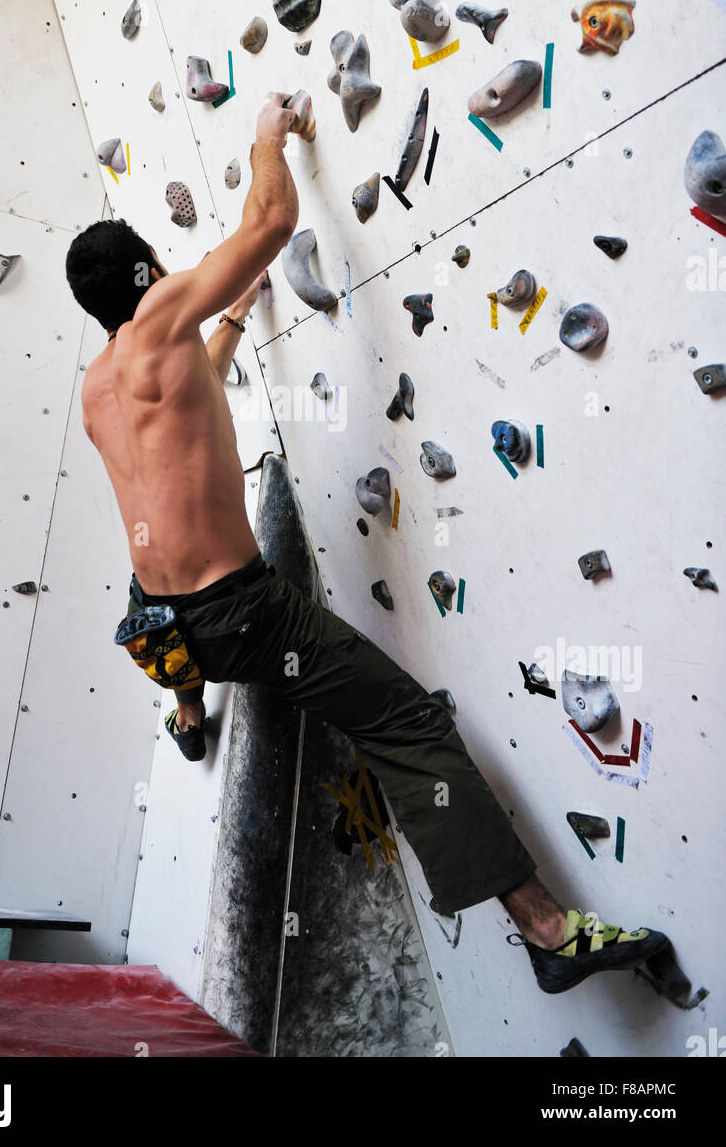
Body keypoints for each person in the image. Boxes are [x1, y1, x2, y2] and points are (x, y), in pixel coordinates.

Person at [65, 92, 669, 996]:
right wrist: (269, 135)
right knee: (405, 722)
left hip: (165, 621)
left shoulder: (100, 389)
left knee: (164, 600)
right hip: (243, 616)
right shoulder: (161, 320)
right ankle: (547, 930)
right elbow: (270, 220)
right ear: (149, 275)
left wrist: (231, 324)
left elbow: (185, 403)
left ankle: (188, 715)